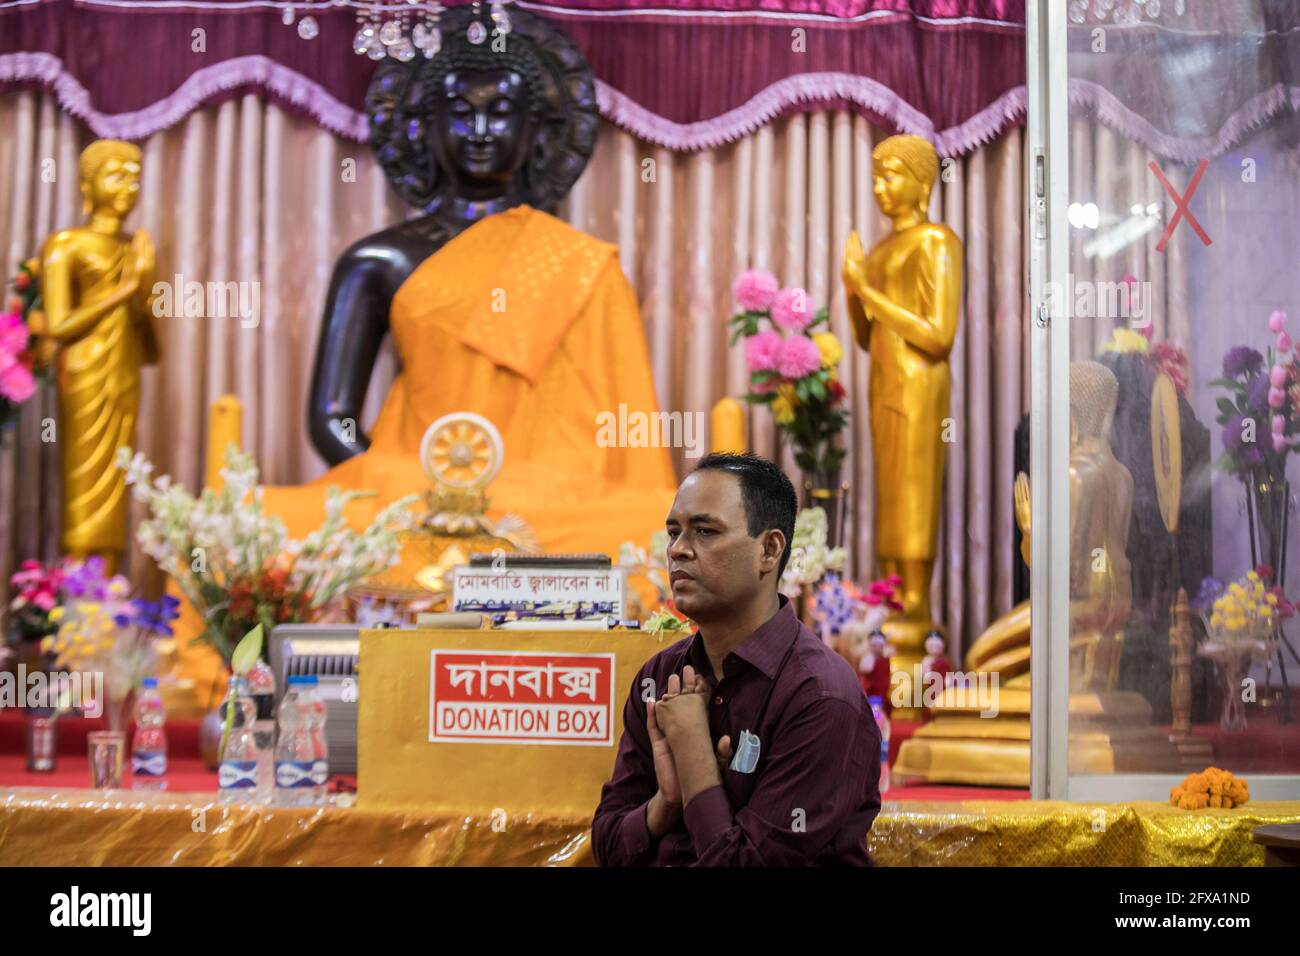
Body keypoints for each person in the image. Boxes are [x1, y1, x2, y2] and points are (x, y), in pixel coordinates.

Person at [592, 453, 881, 866]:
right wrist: (666, 803)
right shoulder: (659, 677)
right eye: (674, 532)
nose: (677, 551)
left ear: (769, 549)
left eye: (705, 531)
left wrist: (694, 754)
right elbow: (606, 845)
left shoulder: (819, 696)